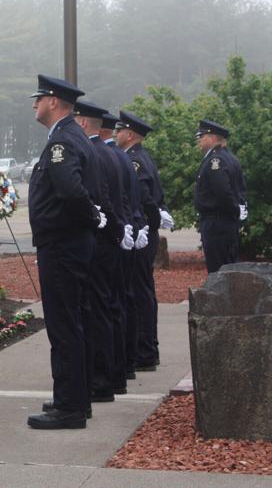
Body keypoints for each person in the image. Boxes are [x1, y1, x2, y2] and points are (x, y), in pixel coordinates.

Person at [26, 75, 104, 430]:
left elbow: (71, 190)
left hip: (62, 244)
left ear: (54, 101)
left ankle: (69, 407)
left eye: (39, 98)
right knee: (74, 321)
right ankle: (76, 398)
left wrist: (90, 216)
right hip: (69, 243)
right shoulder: (71, 136)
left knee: (64, 325)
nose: (35, 104)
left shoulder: (63, 140)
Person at [74, 101, 134, 401]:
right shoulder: (113, 153)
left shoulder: (93, 153)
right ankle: (116, 374)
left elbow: (100, 200)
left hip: (100, 239)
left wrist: (111, 230)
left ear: (84, 123)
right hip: (112, 238)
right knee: (110, 306)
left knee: (97, 310)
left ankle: (101, 380)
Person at [116, 111, 165, 372]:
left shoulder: (134, 160)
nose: (116, 134)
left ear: (130, 134)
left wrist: (150, 222)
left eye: (120, 130)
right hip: (145, 232)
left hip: (141, 234)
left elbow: (144, 197)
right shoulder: (142, 157)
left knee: (139, 293)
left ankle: (144, 351)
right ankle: (147, 349)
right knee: (143, 290)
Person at [101, 112, 146, 382]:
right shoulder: (121, 156)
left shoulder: (109, 156)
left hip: (113, 236)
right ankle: (126, 363)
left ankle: (117, 369)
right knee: (123, 298)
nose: (118, 134)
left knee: (111, 303)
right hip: (125, 231)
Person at [194, 119, 243, 273]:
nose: (199, 140)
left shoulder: (216, 160)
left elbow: (223, 192)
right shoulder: (230, 157)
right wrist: (239, 208)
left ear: (213, 138)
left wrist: (234, 210)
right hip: (226, 222)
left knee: (218, 269)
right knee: (228, 267)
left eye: (202, 136)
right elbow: (241, 190)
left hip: (217, 222)